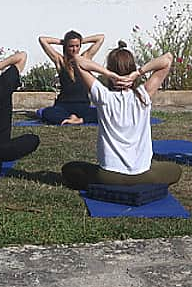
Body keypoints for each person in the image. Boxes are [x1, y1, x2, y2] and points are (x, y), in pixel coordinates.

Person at [61, 42, 182, 189]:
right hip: (143, 176)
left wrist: (109, 74)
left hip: (108, 177)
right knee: (175, 170)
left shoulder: (103, 96)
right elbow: (167, 58)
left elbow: (78, 60)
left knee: (69, 169)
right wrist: (138, 73)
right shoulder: (143, 96)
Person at [37, 30, 105, 124]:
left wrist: (81, 40)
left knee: (102, 112)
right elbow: (42, 40)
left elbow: (100, 38)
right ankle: (72, 118)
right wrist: (63, 42)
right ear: (66, 47)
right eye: (71, 46)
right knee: (47, 113)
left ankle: (78, 120)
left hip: (83, 105)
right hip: (64, 105)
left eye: (77, 46)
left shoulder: (85, 59)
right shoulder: (60, 61)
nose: (74, 49)